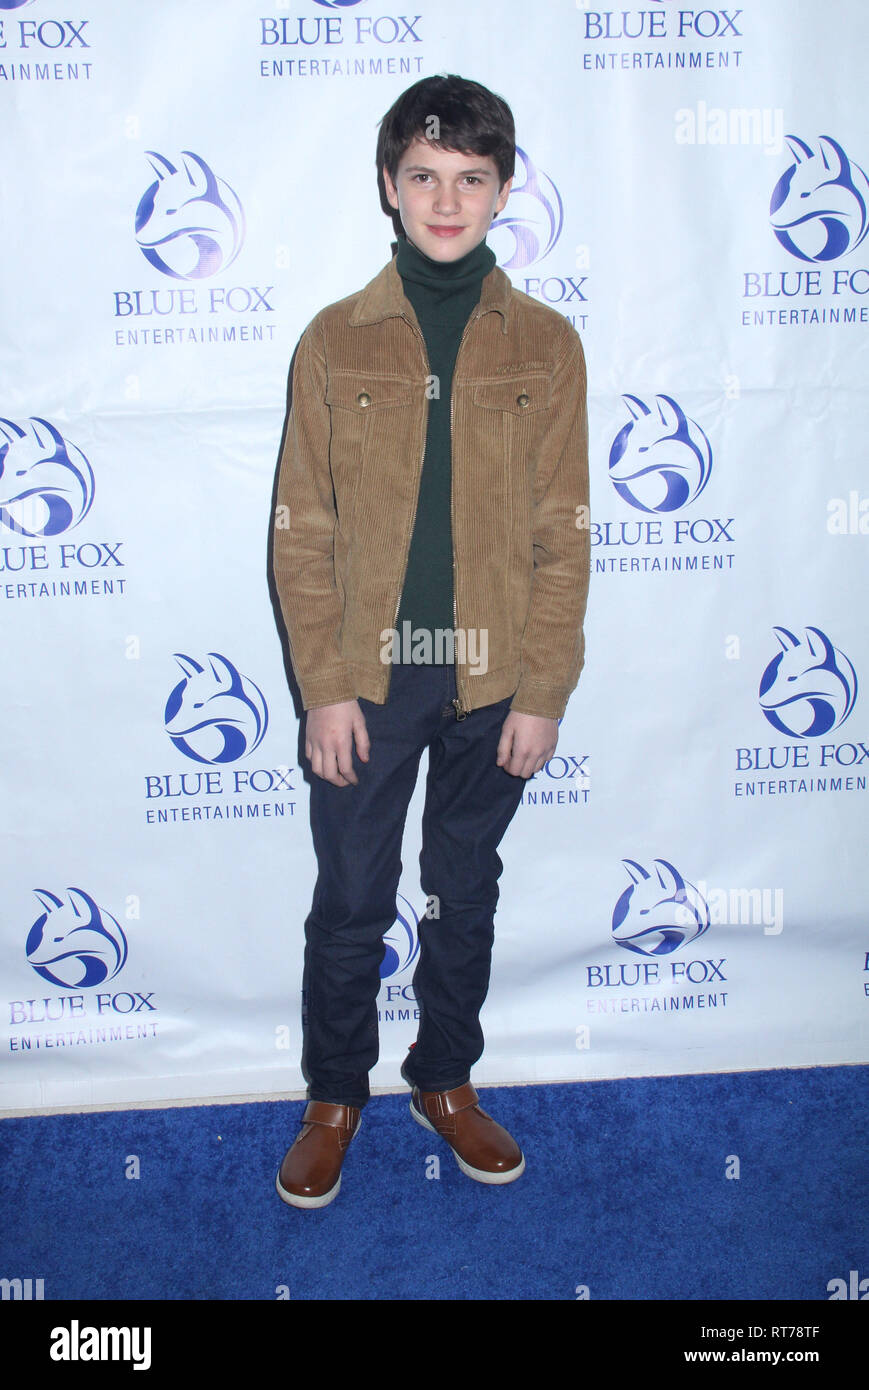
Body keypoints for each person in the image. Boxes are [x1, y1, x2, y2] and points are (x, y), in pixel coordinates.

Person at [271, 73, 589, 1208]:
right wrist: (324, 686)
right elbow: (301, 533)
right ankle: (332, 1095)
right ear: (388, 185)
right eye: (423, 175)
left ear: (503, 191)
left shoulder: (546, 345)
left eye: (470, 178)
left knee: (462, 888)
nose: (445, 199)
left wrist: (541, 688)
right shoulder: (331, 340)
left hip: (493, 671)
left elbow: (564, 529)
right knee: (352, 892)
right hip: (369, 675)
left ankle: (444, 1077)